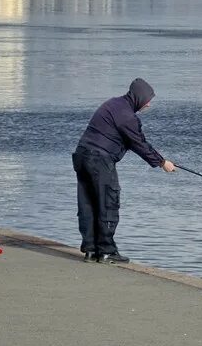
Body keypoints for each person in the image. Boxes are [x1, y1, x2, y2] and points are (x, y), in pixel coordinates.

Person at [73, 78, 176, 263]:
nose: (149, 104)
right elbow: (139, 144)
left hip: (82, 155)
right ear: (138, 97)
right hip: (99, 160)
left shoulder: (113, 104)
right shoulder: (127, 116)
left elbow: (131, 141)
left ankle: (90, 250)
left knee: (88, 203)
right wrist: (162, 163)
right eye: (148, 99)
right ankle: (106, 251)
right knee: (108, 202)